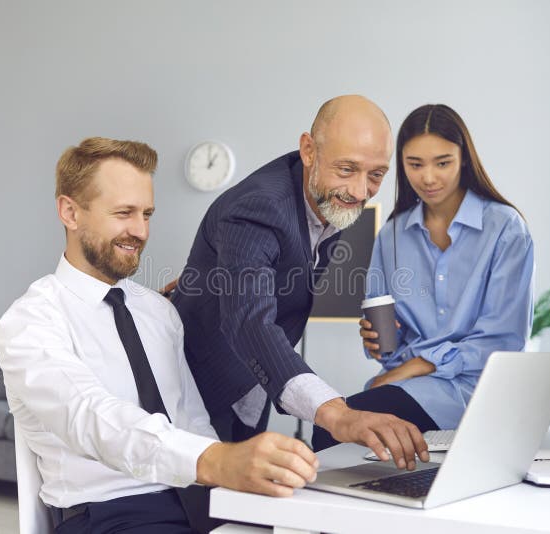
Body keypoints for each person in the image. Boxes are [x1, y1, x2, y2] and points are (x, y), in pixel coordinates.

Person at [0, 137, 319, 534]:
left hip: (197, 502)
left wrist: (239, 472)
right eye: (123, 213)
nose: (140, 230)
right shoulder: (32, 321)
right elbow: (93, 417)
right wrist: (217, 460)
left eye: (147, 213)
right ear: (69, 212)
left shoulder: (160, 312)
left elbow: (193, 421)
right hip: (109, 515)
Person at [171, 95, 430, 470]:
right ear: (309, 150)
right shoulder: (257, 207)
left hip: (257, 386)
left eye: (376, 175)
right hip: (202, 388)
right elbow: (249, 321)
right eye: (347, 169)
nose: (360, 192)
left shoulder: (329, 198)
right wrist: (337, 413)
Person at [312, 104, 534, 450]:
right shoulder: (393, 235)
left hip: (478, 388)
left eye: (442, 162)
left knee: (338, 426)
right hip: (412, 387)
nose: (428, 178)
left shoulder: (505, 229)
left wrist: (415, 366)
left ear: (464, 158)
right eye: (415, 164)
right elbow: (388, 350)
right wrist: (378, 341)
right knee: (333, 425)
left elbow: (503, 341)